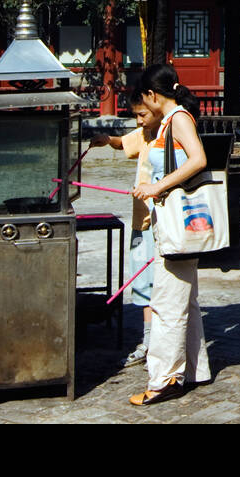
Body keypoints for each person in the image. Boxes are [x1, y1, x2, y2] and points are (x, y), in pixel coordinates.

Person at [129, 63, 211, 406]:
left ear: (151, 95)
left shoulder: (177, 118)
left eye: (143, 100)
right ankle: (194, 369)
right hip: (172, 224)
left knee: (166, 303)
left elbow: (198, 160)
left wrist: (156, 187)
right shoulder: (168, 121)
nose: (142, 109)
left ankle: (164, 380)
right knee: (184, 300)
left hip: (178, 225)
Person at [91, 97, 162, 368]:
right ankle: (148, 342)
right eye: (137, 115)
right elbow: (126, 142)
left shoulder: (171, 135)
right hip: (141, 217)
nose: (139, 120)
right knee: (142, 282)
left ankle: (162, 343)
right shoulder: (144, 133)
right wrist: (107, 139)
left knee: (160, 283)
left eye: (143, 114)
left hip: (161, 221)